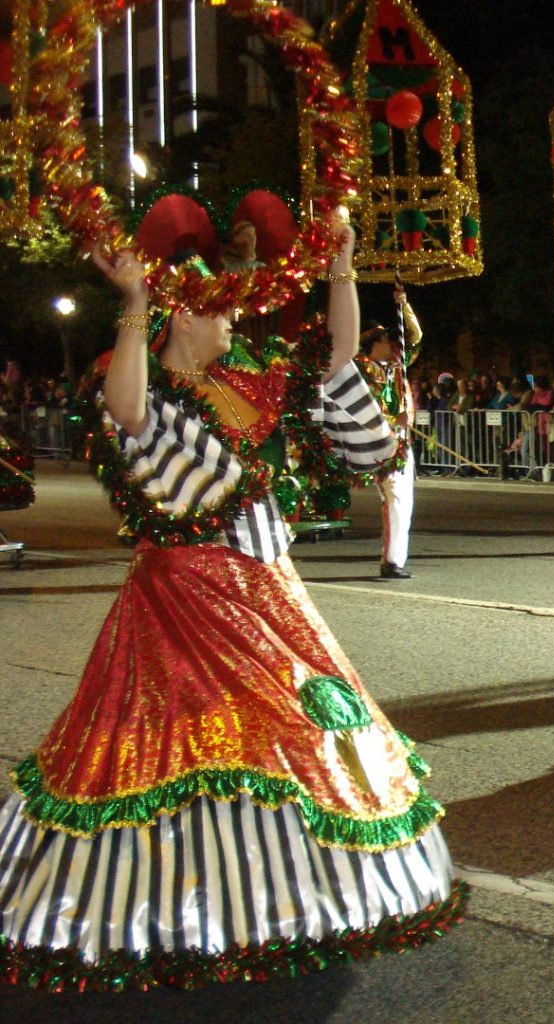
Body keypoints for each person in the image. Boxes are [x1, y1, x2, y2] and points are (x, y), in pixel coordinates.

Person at [0, 220, 461, 989]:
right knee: (177, 747)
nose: (234, 322)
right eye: (220, 311)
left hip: (267, 586)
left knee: (288, 734)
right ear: (184, 315)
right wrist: (136, 302)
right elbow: (128, 410)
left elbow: (338, 357)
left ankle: (273, 904)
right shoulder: (153, 387)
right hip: (185, 595)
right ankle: (161, 912)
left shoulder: (246, 384)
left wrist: (343, 270)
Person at [357, 283, 422, 579]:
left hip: (400, 442)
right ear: (373, 343)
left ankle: (394, 559)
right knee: (395, 495)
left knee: (402, 498)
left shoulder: (398, 365)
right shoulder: (360, 373)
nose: (390, 341)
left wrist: (404, 305)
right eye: (384, 338)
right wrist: (389, 419)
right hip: (374, 441)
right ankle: (391, 560)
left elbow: (416, 338)